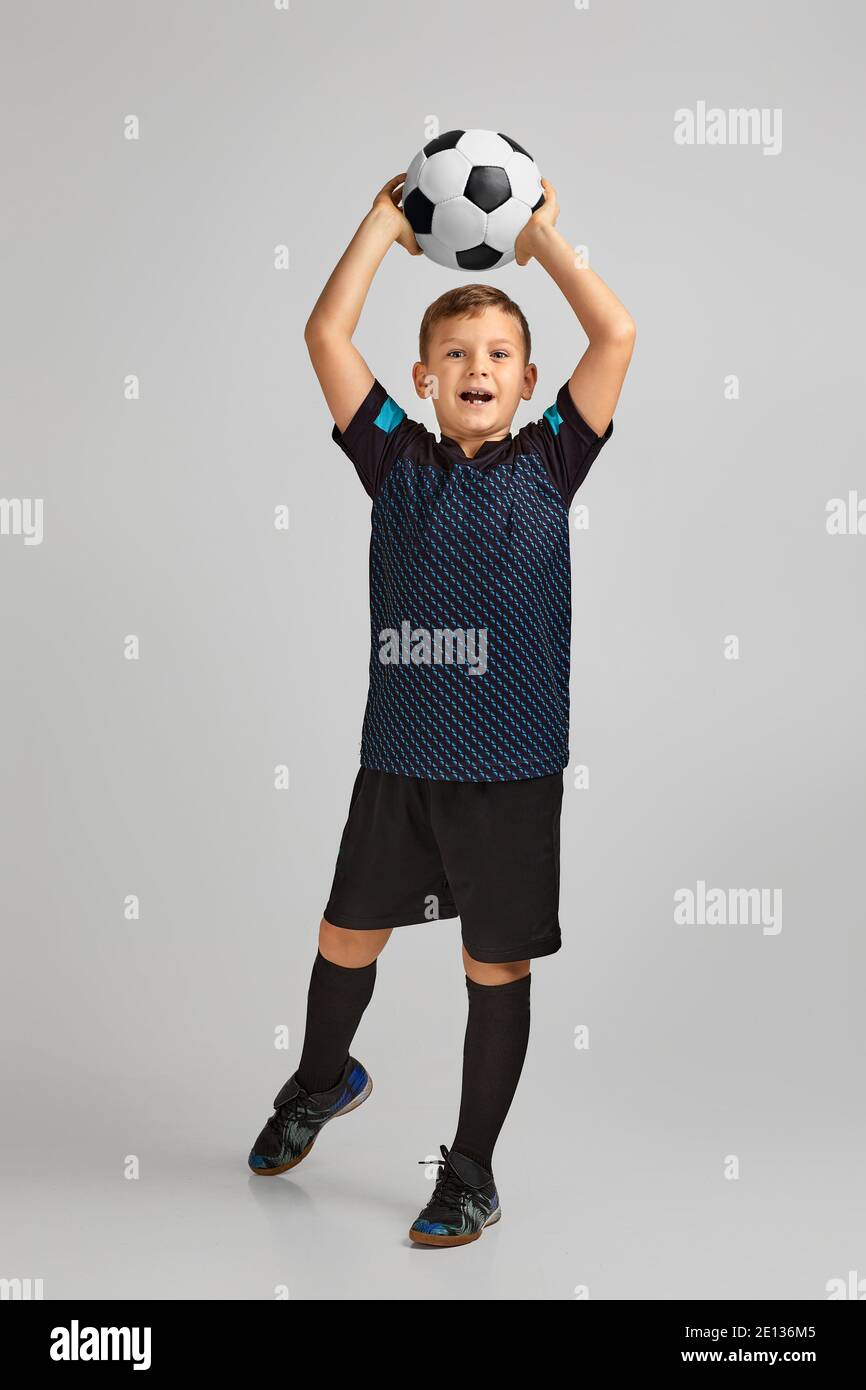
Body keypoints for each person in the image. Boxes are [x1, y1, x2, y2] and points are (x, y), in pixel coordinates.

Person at [247, 171, 636, 1247]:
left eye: (498, 357)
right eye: (456, 356)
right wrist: (385, 224)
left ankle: (468, 1172)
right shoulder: (395, 460)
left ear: (529, 382)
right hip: (402, 764)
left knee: (490, 965)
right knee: (343, 933)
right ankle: (320, 1081)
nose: (477, 369)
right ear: (422, 379)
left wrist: (539, 242)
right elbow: (326, 330)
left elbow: (617, 330)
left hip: (509, 770)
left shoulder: (554, 458)